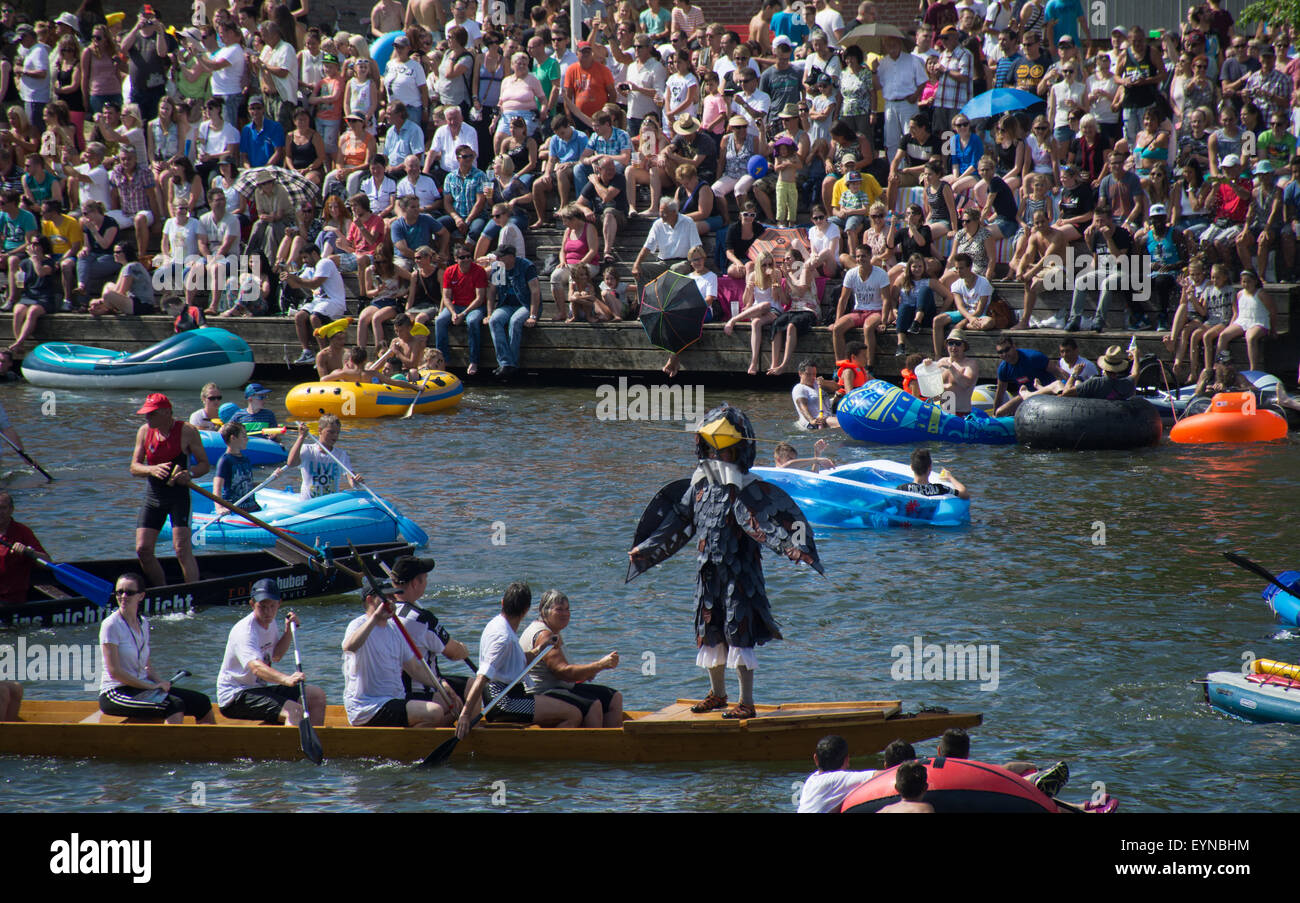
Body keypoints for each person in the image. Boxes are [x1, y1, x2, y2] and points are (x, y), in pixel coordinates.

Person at [628, 404, 821, 721]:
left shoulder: (747, 489)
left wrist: (794, 550)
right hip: (708, 572)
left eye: (726, 452)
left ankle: (747, 700)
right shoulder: (699, 487)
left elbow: (770, 526)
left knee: (739, 632)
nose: (718, 458)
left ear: (738, 453)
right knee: (710, 631)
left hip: (740, 575)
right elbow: (676, 523)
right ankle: (717, 694)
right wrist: (645, 548)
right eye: (714, 451)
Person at [456, 582, 586, 738]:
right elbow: (482, 676)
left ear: (502, 603)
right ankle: (549, 757)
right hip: (504, 702)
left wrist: (541, 648)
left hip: (510, 697)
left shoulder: (497, 624)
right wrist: (465, 715)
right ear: (526, 610)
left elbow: (517, 660)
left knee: (566, 711)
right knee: (573, 714)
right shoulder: (503, 638)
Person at [98, 571, 215, 723]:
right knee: (174, 705)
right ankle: (171, 746)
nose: (123, 596)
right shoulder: (111, 625)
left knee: (202, 702)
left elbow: (146, 665)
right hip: (115, 692)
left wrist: (160, 682)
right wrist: (150, 687)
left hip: (140, 688)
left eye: (129, 592)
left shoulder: (143, 623)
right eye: (119, 592)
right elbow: (115, 672)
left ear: (141, 596)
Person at [342, 585, 461, 727]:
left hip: (396, 699)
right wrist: (375, 617)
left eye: (394, 597)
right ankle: (407, 745)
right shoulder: (358, 624)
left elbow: (415, 669)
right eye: (387, 598)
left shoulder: (395, 629)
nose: (392, 603)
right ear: (369, 600)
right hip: (368, 706)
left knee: (448, 701)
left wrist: (440, 683)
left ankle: (415, 736)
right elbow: (349, 647)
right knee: (435, 712)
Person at [217, 578, 326, 726]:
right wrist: (286, 679)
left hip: (258, 690)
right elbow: (256, 668)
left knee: (316, 695)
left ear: (279, 603)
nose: (268, 612)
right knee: (294, 711)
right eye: (262, 607)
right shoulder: (245, 631)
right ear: (252, 604)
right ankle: (292, 748)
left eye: (272, 606)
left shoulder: (271, 622)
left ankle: (315, 743)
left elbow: (276, 656)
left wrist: (288, 631)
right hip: (235, 696)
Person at [130, 393, 207, 587]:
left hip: (178, 497)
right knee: (143, 550)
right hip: (153, 497)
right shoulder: (143, 432)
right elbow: (134, 467)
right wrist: (151, 469)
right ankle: (162, 591)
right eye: (146, 414)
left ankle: (192, 595)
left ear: (166, 412)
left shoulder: (187, 431)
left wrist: (189, 473)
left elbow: (205, 465)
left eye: (151, 414)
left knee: (181, 549)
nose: (147, 418)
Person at [519, 589, 622, 728]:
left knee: (613, 697)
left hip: (560, 688)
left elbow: (565, 674)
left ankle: (612, 745)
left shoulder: (552, 631)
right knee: (593, 704)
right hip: (542, 693)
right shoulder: (544, 635)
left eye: (567, 609)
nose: (565, 614)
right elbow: (563, 672)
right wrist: (599, 665)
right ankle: (592, 747)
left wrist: (587, 672)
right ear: (544, 611)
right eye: (559, 609)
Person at [388, 555, 473, 703]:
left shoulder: (382, 613)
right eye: (425, 578)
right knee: (472, 686)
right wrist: (463, 649)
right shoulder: (422, 619)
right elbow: (453, 653)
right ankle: (469, 725)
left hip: (391, 692)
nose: (427, 582)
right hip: (422, 692)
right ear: (415, 583)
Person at [796, 735, 918, 813]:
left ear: (815, 759)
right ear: (847, 760)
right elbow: (884, 775)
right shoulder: (841, 779)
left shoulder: (811, 780)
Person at [486, 244, 542, 381]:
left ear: (511, 257)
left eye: (501, 256)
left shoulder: (526, 266)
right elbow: (492, 293)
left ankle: (512, 364)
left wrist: (533, 316)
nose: (497, 258)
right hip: (507, 305)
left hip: (525, 305)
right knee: (494, 320)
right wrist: (489, 313)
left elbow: (535, 292)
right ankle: (506, 363)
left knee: (515, 321)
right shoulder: (498, 267)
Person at [288, 243, 349, 363]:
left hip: (334, 302)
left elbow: (314, 283)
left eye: (306, 257)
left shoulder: (325, 263)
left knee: (314, 317)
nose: (304, 261)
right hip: (319, 302)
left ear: (315, 254)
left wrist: (296, 278)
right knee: (299, 317)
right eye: (302, 259)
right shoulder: (309, 268)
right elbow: (295, 285)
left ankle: (324, 354)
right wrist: (287, 277)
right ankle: (306, 352)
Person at [831, 245, 892, 366]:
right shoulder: (851, 274)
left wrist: (884, 322)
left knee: (868, 327)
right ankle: (840, 365)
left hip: (876, 311)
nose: (860, 259)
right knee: (837, 328)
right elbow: (843, 299)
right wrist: (837, 320)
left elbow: (886, 300)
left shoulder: (881, 274)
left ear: (870, 256)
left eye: (863, 256)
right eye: (858, 256)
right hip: (858, 311)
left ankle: (868, 367)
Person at [286, 415, 360, 499]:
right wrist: (301, 437)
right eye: (331, 432)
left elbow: (350, 477)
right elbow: (291, 463)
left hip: (329, 504)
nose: (335, 436)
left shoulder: (341, 454)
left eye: (337, 432)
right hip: (309, 503)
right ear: (320, 430)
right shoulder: (307, 450)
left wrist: (355, 481)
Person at [992, 336, 1065, 416]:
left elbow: (1059, 372)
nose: (1004, 354)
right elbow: (1000, 394)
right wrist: (994, 415)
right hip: (1026, 396)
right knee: (999, 412)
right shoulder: (1003, 368)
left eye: (1007, 350)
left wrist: (1072, 387)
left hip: (1047, 392)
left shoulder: (1033, 357)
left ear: (1014, 346)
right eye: (1000, 352)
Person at [0, 490, 47, 604]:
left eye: (3, 508)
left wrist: (29, 552)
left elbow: (47, 562)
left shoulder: (23, 532)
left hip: (11, 600)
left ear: (11, 510)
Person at [1056, 342, 1139, 399]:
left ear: (1104, 367)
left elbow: (1066, 393)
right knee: (1078, 382)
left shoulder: (1095, 383)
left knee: (1077, 381)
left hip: (1094, 416)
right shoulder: (1125, 384)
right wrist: (1136, 357)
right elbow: (1135, 374)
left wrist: (1074, 374)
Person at [212, 421, 262, 512]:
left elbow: (247, 484)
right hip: (235, 509)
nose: (247, 439)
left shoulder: (245, 459)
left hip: (252, 507)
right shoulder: (225, 461)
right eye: (244, 436)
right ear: (233, 438)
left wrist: (271, 479)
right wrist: (219, 508)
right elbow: (217, 487)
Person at [896, 448, 970, 498]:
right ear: (930, 468)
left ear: (911, 467)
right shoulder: (940, 489)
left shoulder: (902, 489)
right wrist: (950, 477)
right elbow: (965, 494)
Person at [791, 359, 841, 429]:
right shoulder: (799, 388)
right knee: (842, 424)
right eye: (808, 374)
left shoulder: (817, 383)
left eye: (814, 374)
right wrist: (812, 420)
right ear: (800, 374)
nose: (812, 377)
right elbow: (802, 406)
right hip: (816, 421)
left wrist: (824, 383)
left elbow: (837, 387)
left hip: (828, 417)